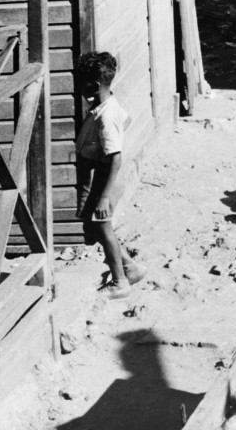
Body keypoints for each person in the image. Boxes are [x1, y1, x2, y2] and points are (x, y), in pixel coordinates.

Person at [75, 51, 146, 300]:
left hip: (103, 178)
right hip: (98, 173)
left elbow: (115, 155)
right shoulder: (107, 106)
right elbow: (125, 121)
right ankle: (131, 268)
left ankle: (120, 282)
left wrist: (104, 197)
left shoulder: (105, 117)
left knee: (102, 228)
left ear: (93, 85)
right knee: (96, 227)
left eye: (81, 82)